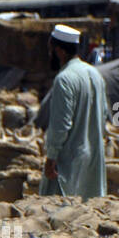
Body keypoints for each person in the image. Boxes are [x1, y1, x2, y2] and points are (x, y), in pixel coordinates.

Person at [41, 24, 108, 200]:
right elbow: (105, 114)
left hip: (68, 164)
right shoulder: (95, 74)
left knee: (59, 217)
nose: (50, 55)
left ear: (59, 51)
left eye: (51, 50)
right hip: (93, 158)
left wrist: (51, 158)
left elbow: (61, 125)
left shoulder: (64, 79)